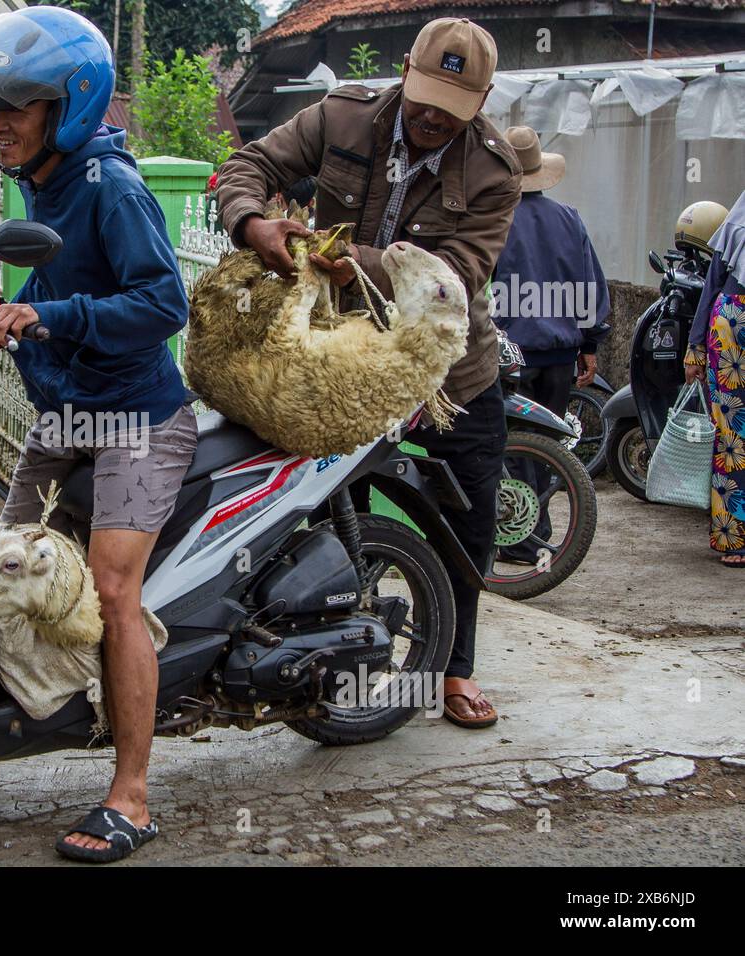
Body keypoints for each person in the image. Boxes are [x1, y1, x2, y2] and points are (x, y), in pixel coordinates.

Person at [215, 17, 521, 728]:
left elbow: (459, 276)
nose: (431, 117)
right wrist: (253, 224)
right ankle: (313, 650)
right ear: (404, 73)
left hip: (449, 374)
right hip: (337, 356)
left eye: (452, 110)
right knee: (314, 505)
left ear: (481, 103)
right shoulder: (343, 115)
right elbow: (246, 168)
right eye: (422, 99)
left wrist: (353, 259)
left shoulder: (495, 173)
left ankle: (456, 669)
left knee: (467, 525)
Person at [0, 6, 198, 862]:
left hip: (137, 420)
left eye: (14, 105)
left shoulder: (109, 186)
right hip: (66, 418)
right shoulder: (39, 178)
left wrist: (52, 317)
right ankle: (34, 707)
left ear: (73, 102)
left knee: (114, 594)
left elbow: (166, 303)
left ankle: (132, 796)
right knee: (0, 570)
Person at [491, 125, 611, 563]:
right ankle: (536, 528)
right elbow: (590, 284)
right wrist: (591, 344)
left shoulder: (495, 220)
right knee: (548, 446)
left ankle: (522, 534)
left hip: (512, 356)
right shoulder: (570, 219)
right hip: (560, 355)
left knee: (515, 446)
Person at [684, 192, 745, 567]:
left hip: (729, 322)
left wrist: (695, 347)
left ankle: (733, 539)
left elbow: (713, 281)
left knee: (731, 437)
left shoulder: (738, 217)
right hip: (732, 327)